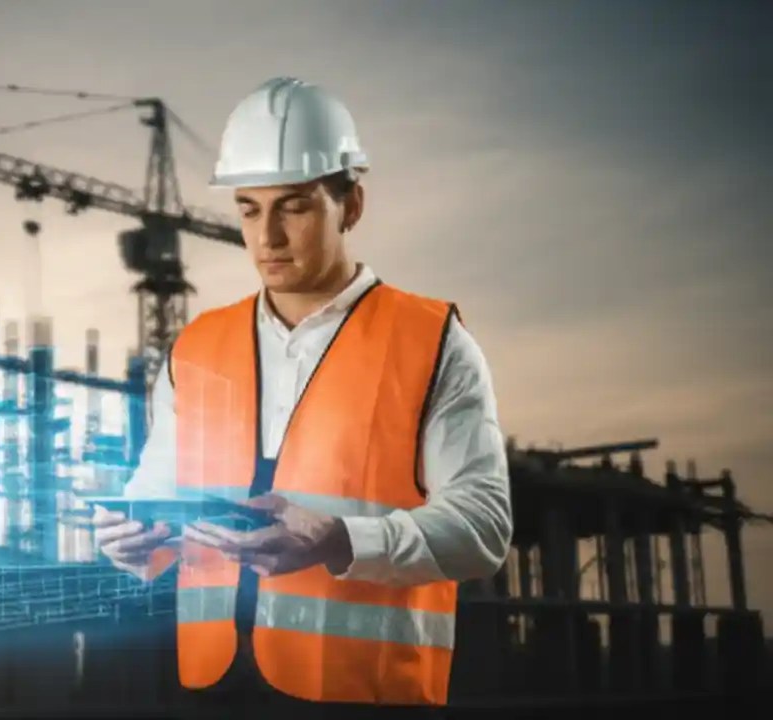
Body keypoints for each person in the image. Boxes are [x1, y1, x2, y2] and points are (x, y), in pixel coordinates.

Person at [93, 77, 513, 718]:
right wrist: (133, 537)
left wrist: (339, 539)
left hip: (367, 691)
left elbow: (484, 531)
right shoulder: (196, 347)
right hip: (211, 689)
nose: (268, 237)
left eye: (293, 206)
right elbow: (158, 496)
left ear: (352, 205)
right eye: (249, 209)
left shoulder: (431, 341)